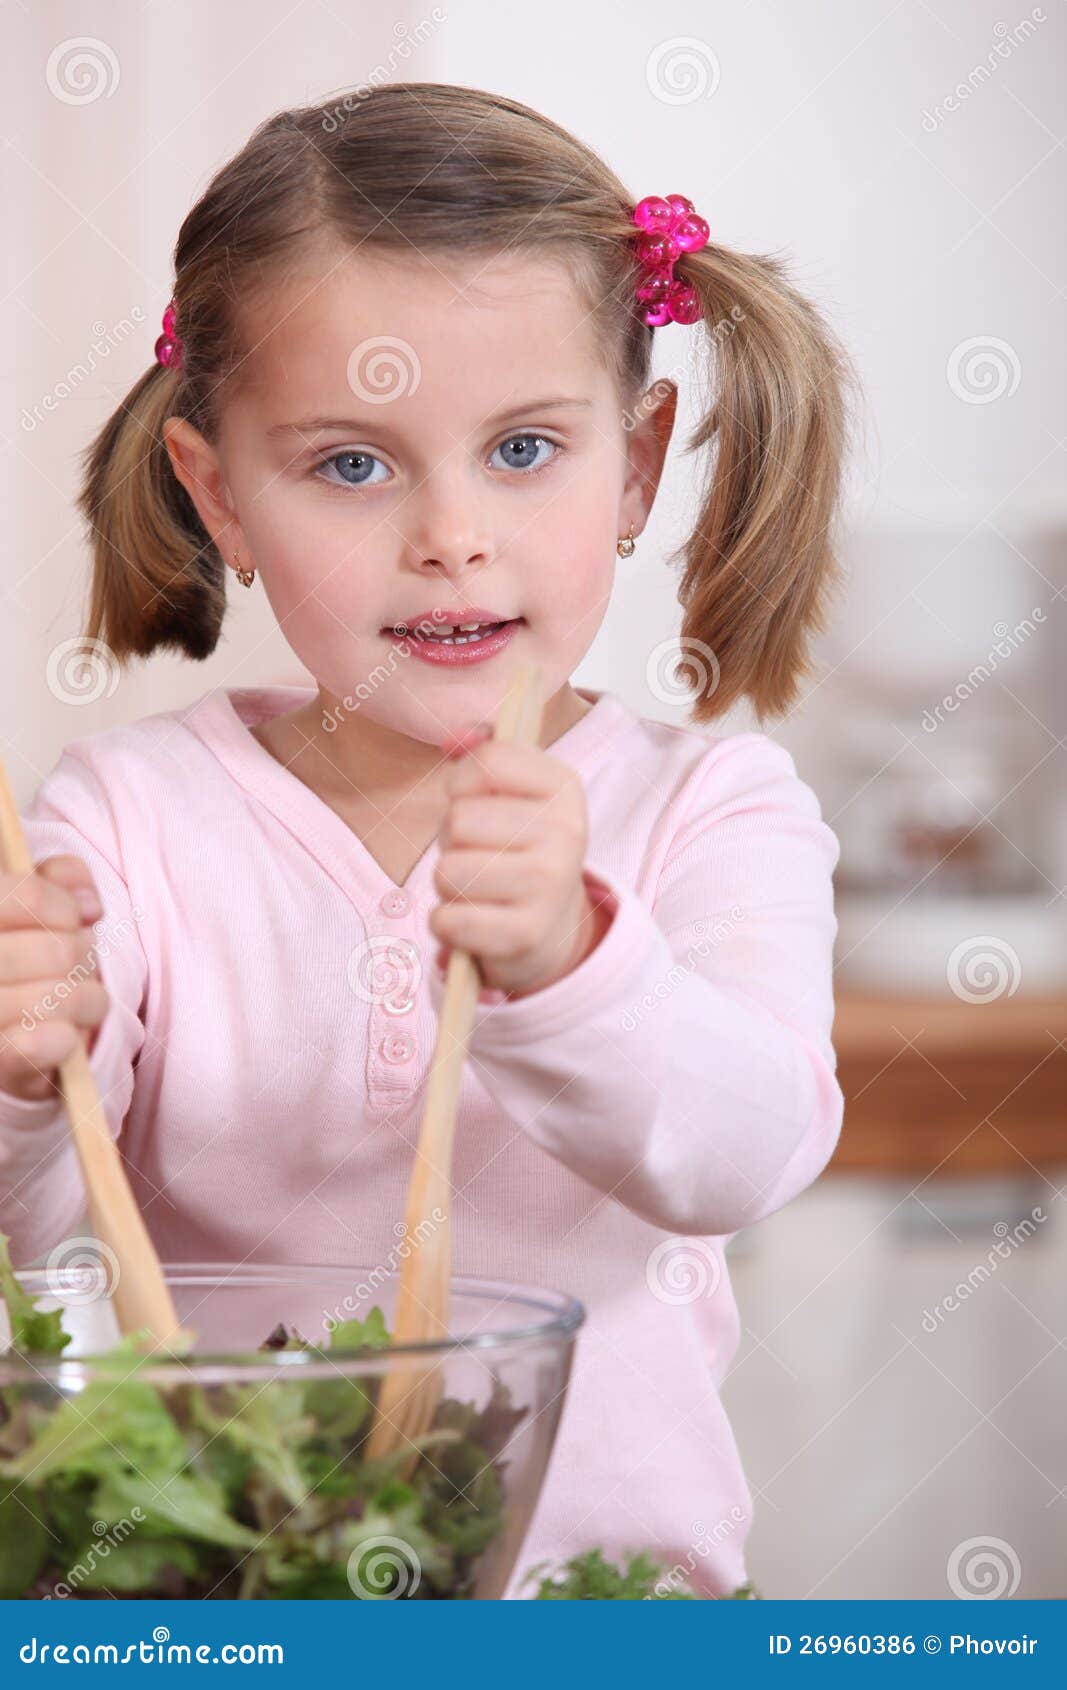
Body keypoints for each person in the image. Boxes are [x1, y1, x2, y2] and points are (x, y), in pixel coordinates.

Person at [0, 83, 856, 1597]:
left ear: (640, 462)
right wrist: (15, 1067)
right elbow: (39, 1230)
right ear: (220, 497)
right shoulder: (123, 822)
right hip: (228, 1608)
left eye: (525, 449)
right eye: (351, 463)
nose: (451, 532)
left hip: (611, 1620)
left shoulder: (713, 813)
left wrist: (573, 964)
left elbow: (746, 1149)